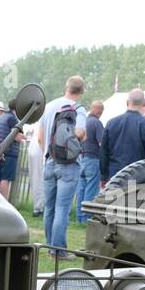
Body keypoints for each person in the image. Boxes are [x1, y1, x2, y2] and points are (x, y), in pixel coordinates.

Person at [35, 76, 89, 255]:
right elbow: (80, 132)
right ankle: (59, 251)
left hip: (49, 161)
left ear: (66, 87)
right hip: (68, 164)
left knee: (49, 207)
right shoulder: (78, 109)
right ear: (81, 91)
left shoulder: (49, 106)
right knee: (62, 208)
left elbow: (40, 138)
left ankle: (50, 245)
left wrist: (48, 154)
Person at [101, 88, 145, 181]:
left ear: (127, 102)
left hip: (114, 177)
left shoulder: (111, 123)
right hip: (137, 177)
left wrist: (103, 176)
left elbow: (104, 152)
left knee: (114, 196)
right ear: (143, 103)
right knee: (131, 196)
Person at [77, 100, 107, 222]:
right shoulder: (97, 123)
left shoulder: (83, 122)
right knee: (91, 188)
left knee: (81, 189)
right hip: (93, 159)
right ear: (99, 110)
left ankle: (79, 216)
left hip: (81, 158)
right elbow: (102, 144)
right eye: (101, 111)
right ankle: (86, 217)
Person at [0, 100, 23, 200]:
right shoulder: (12, 119)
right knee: (5, 179)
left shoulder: (1, 118)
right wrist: (22, 136)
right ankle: (4, 203)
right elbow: (16, 137)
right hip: (9, 152)